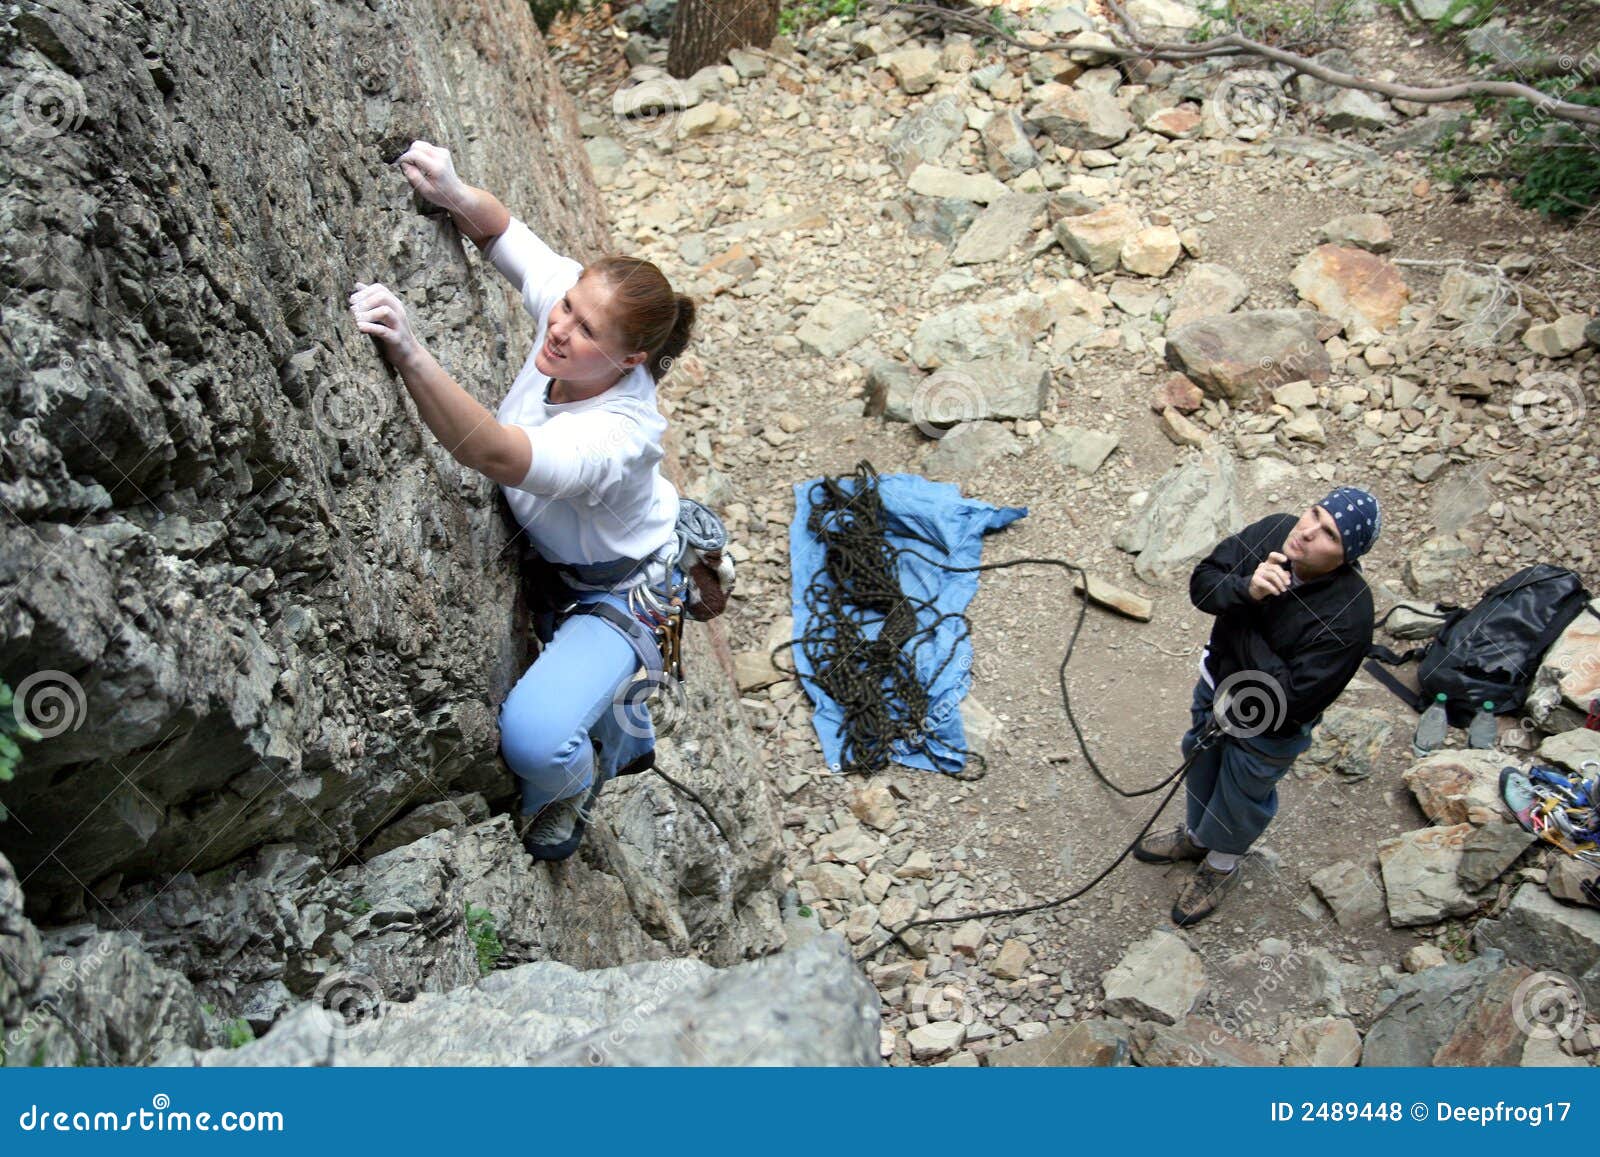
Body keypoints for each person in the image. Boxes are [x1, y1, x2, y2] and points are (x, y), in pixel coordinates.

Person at [349, 139, 695, 862]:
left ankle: (573, 783)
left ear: (631, 359)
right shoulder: (574, 317)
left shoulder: (617, 437)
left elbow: (495, 452)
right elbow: (506, 235)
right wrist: (452, 189)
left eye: (586, 329)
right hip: (574, 554)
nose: (561, 329)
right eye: (566, 308)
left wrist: (409, 350)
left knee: (534, 741)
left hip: (624, 589)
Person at [1133, 488, 1380, 926]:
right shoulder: (1274, 530)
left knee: (1244, 789)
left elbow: (1290, 699)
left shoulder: (1350, 613)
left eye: (1329, 534)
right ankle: (1196, 836)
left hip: (1268, 725)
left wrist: (1246, 608)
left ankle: (1221, 864)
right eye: (1314, 513)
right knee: (1201, 758)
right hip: (1215, 684)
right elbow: (1204, 584)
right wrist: (1244, 588)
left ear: (1345, 557)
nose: (1307, 531)